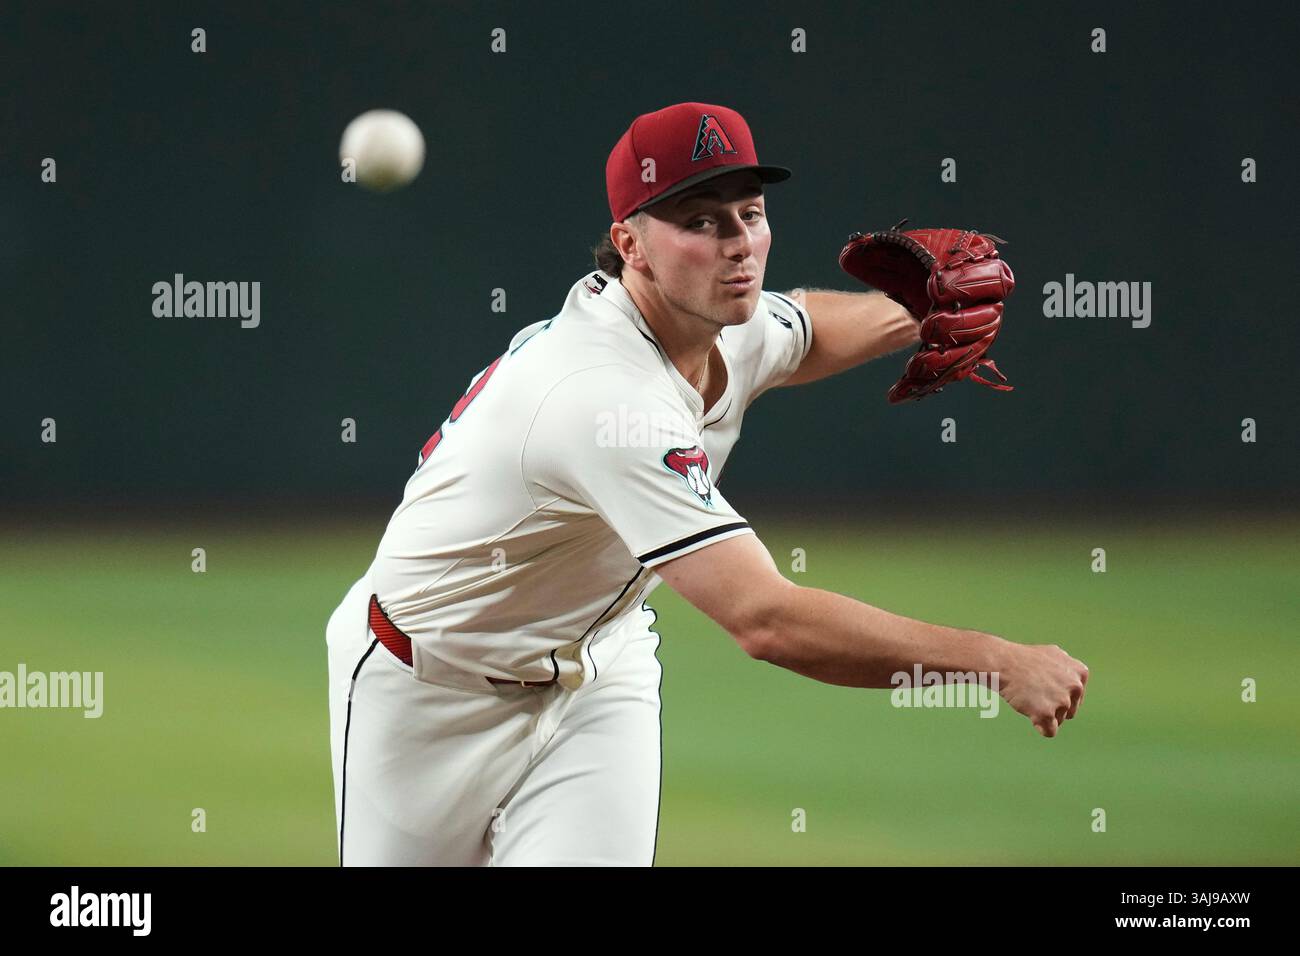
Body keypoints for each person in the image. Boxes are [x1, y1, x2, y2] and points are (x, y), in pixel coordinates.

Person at [324, 101, 1088, 867]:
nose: (739, 246)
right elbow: (767, 620)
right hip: (425, 692)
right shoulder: (604, 395)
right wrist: (994, 659)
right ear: (631, 245)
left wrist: (915, 314)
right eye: (700, 221)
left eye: (749, 214)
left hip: (597, 678)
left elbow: (804, 330)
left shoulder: (714, 319)